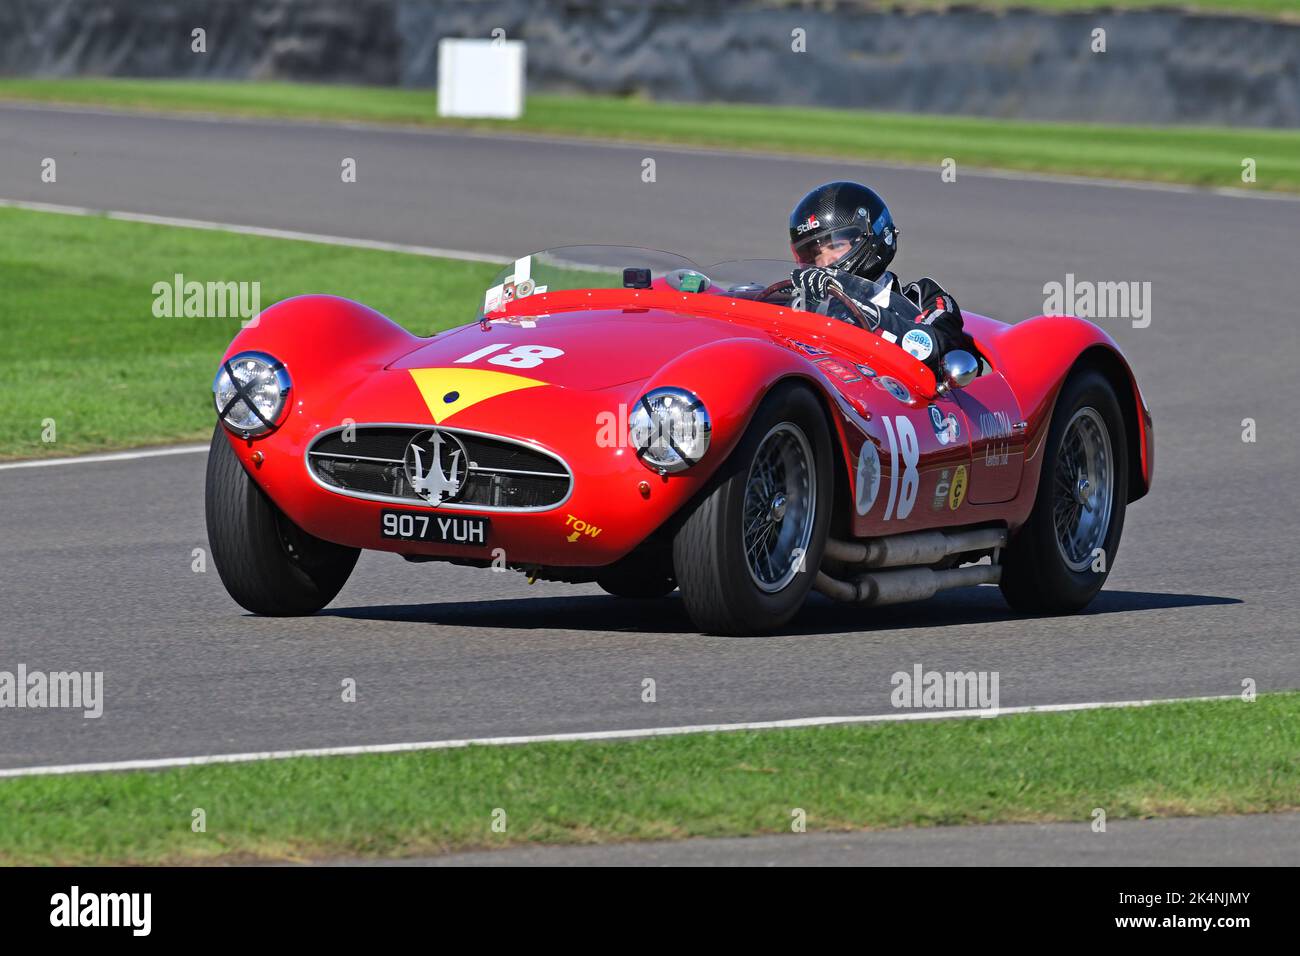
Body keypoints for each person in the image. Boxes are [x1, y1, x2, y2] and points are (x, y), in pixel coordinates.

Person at [787, 181, 968, 375]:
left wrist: (850, 301)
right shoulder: (798, 300)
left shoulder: (924, 297)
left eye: (836, 246)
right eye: (813, 255)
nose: (824, 262)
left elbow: (932, 349)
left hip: (899, 399)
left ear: (872, 235)